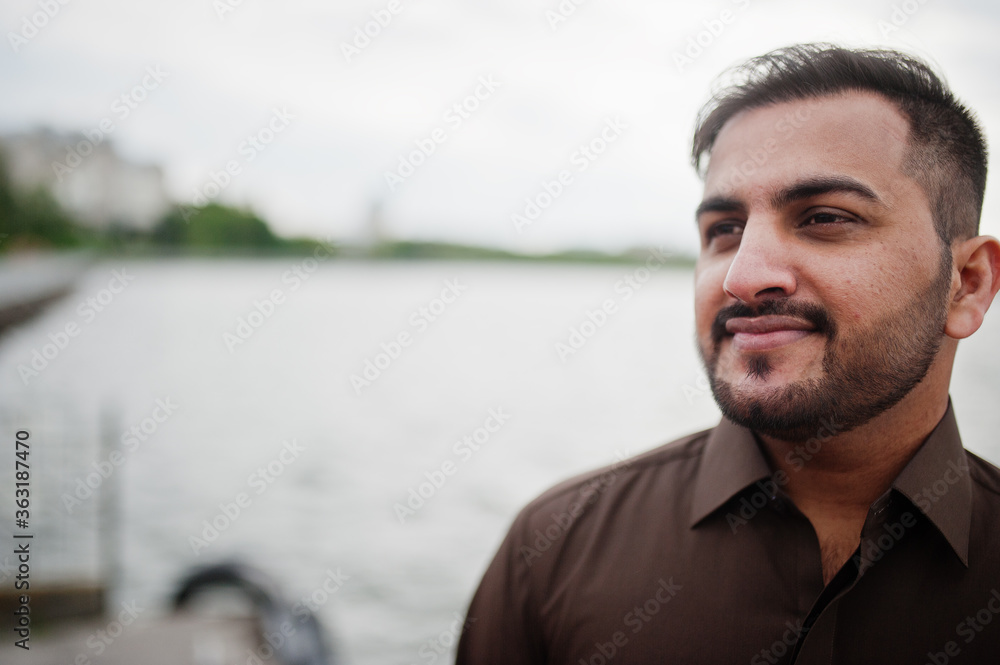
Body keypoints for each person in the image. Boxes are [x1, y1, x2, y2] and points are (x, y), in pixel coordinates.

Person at [455, 44, 1000, 664]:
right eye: (724, 229)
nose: (743, 277)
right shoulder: (552, 552)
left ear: (969, 282)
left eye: (823, 217)